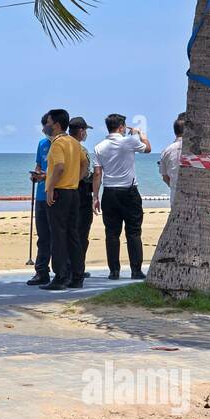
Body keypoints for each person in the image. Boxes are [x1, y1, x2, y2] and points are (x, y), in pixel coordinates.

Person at [93, 113, 151, 280]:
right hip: (129, 191)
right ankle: (135, 270)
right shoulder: (130, 141)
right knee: (133, 231)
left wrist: (95, 196)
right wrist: (140, 134)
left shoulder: (99, 146)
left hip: (109, 192)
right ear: (121, 127)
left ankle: (114, 271)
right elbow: (148, 148)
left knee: (111, 233)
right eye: (124, 127)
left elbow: (97, 174)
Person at [43, 109, 83, 290]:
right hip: (74, 193)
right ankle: (77, 276)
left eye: (48, 122)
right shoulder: (74, 142)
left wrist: (50, 188)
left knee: (58, 236)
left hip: (60, 192)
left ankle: (60, 277)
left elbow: (59, 167)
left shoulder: (58, 144)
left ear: (57, 125)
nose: (46, 126)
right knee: (73, 235)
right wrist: (76, 178)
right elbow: (85, 163)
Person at [25, 110, 58, 286]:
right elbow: (39, 164)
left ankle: (61, 271)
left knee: (58, 235)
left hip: (56, 194)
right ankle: (41, 271)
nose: (44, 129)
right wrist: (36, 175)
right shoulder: (42, 144)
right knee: (43, 236)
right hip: (40, 195)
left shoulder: (63, 144)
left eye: (46, 125)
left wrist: (47, 177)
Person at [70, 116, 94, 282]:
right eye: (85, 130)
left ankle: (70, 267)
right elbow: (85, 173)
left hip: (67, 192)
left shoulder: (61, 145)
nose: (86, 134)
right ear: (80, 131)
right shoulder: (81, 149)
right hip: (81, 193)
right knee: (81, 232)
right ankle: (78, 267)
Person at [159, 114, 185, 202]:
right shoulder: (195, 149)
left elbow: (165, 177)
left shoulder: (166, 150)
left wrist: (173, 186)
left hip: (175, 193)